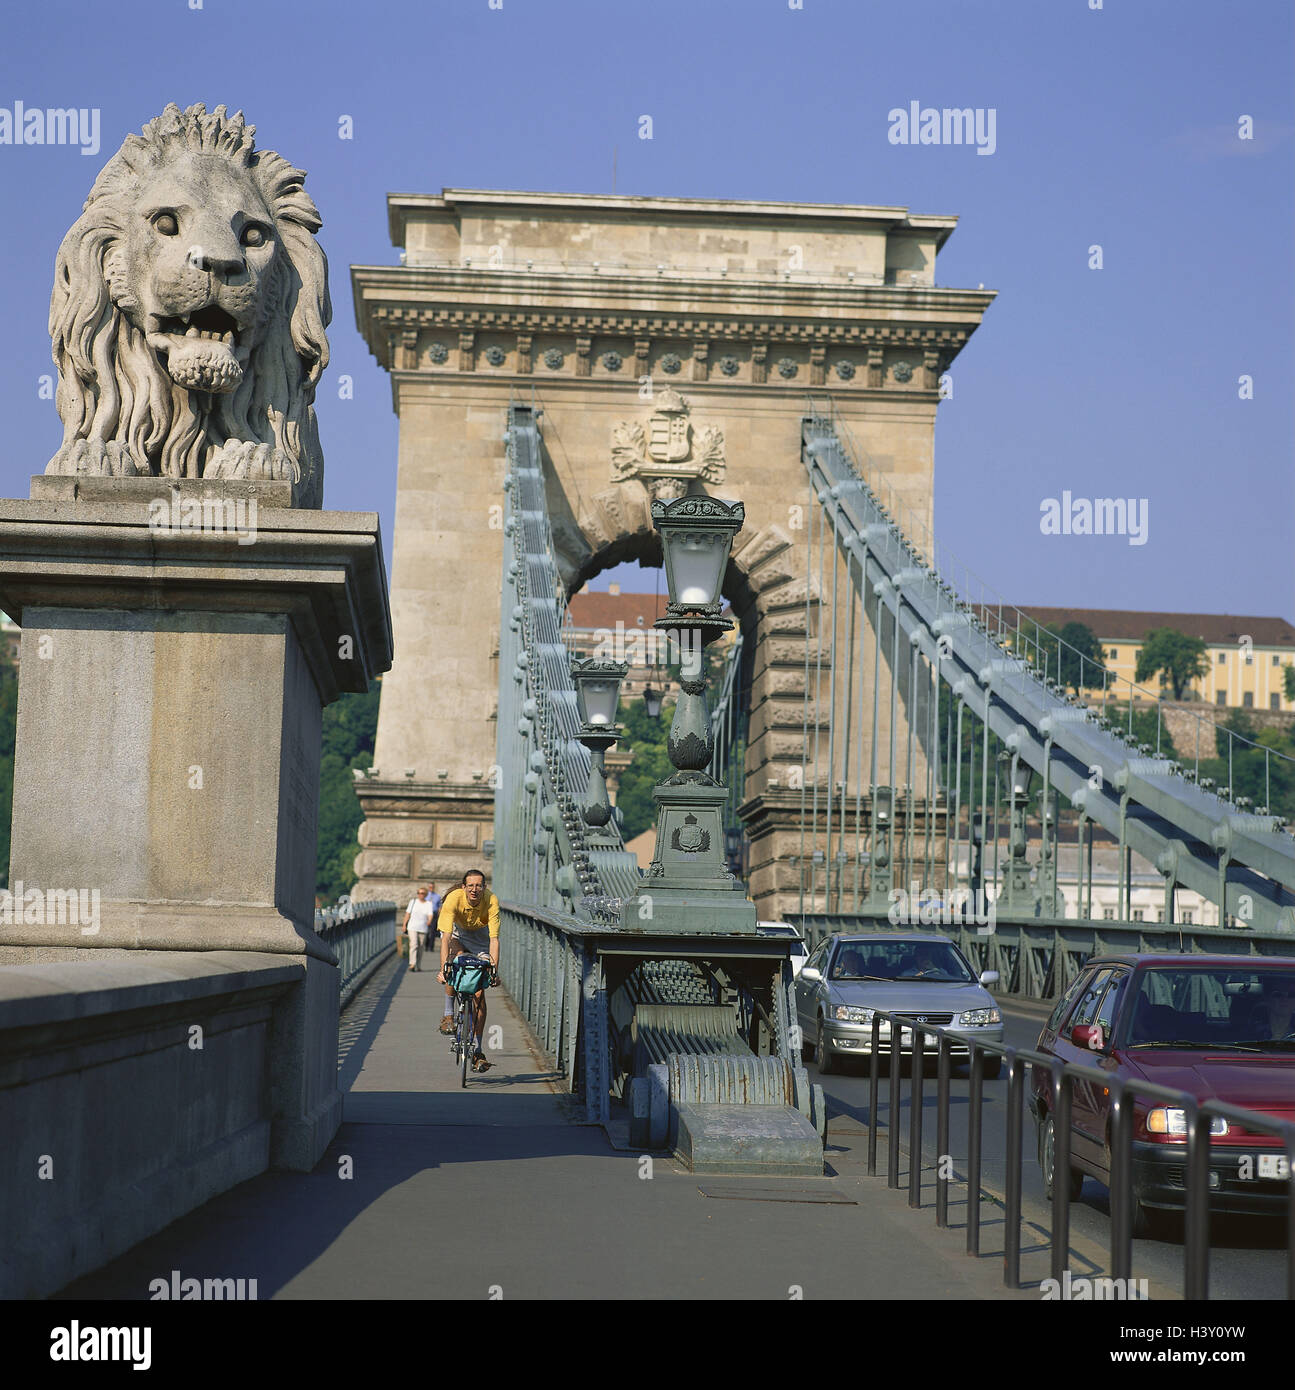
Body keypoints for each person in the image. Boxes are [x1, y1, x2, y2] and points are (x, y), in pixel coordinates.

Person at [436, 869, 501, 1072]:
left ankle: (478, 1051)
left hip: (481, 938)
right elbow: (446, 937)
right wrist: (442, 968)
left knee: (480, 995)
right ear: (463, 887)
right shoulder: (453, 899)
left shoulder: (491, 901)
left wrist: (494, 971)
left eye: (479, 885)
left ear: (484, 887)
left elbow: (494, 940)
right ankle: (448, 1015)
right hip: (458, 936)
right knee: (453, 965)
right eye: (470, 885)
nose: (474, 889)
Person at [401, 886, 436, 973]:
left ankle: (418, 965)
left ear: (426, 895)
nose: (420, 895)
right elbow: (407, 914)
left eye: (422, 893)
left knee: (421, 947)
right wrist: (404, 925)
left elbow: (430, 914)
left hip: (423, 928)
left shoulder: (429, 904)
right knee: (414, 944)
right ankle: (412, 964)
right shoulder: (413, 902)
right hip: (412, 927)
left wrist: (429, 921)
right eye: (419, 893)